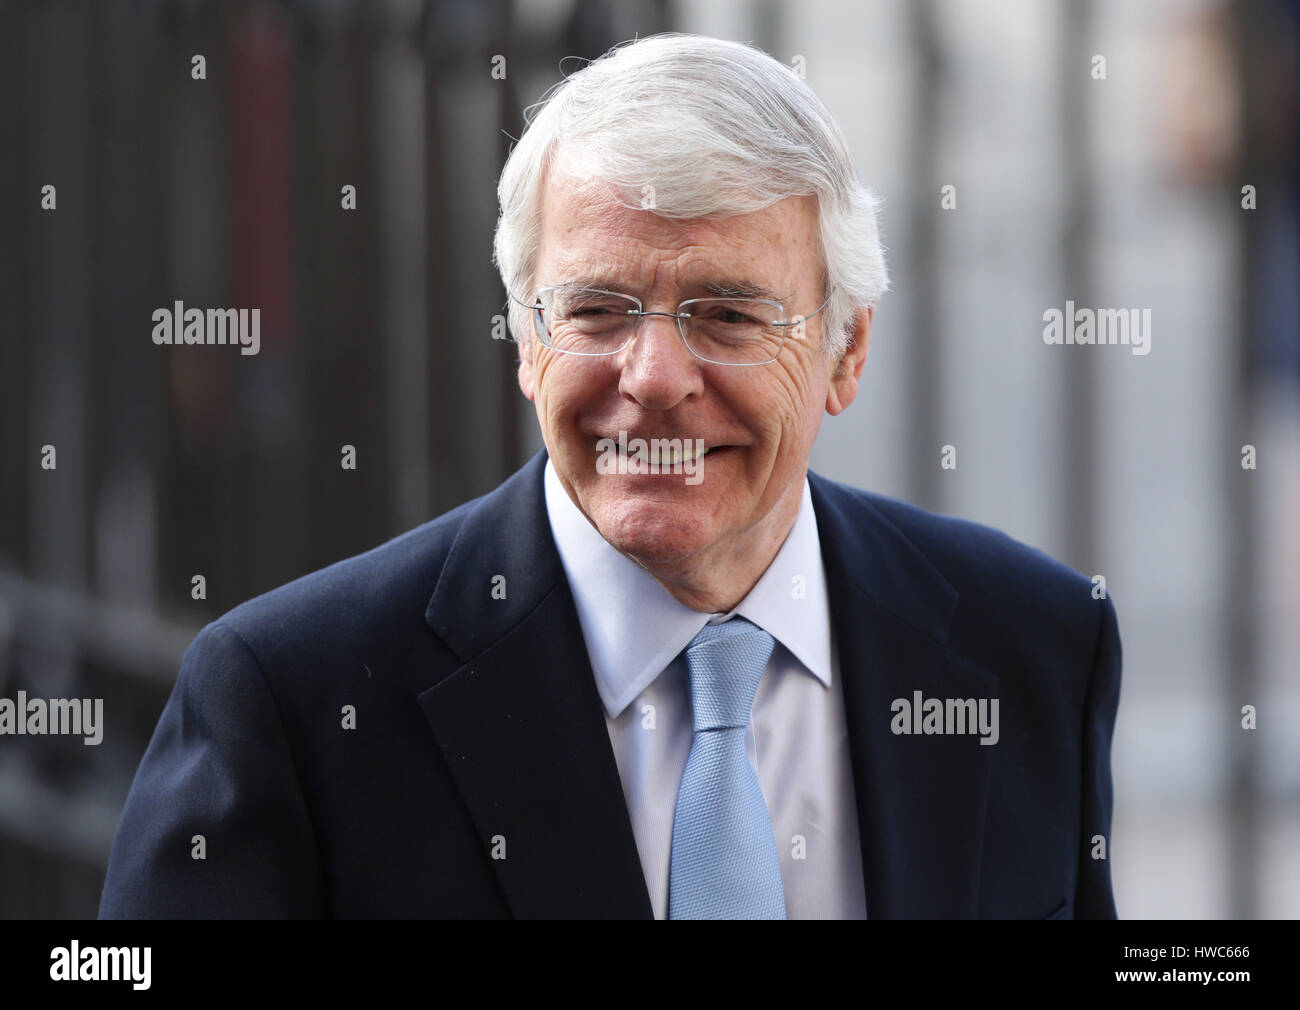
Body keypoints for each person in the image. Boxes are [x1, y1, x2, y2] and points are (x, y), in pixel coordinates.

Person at [99, 33, 1120, 919]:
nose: (655, 377)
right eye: (596, 310)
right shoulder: (295, 700)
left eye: (727, 313)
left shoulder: (1031, 643)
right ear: (524, 341)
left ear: (846, 352)